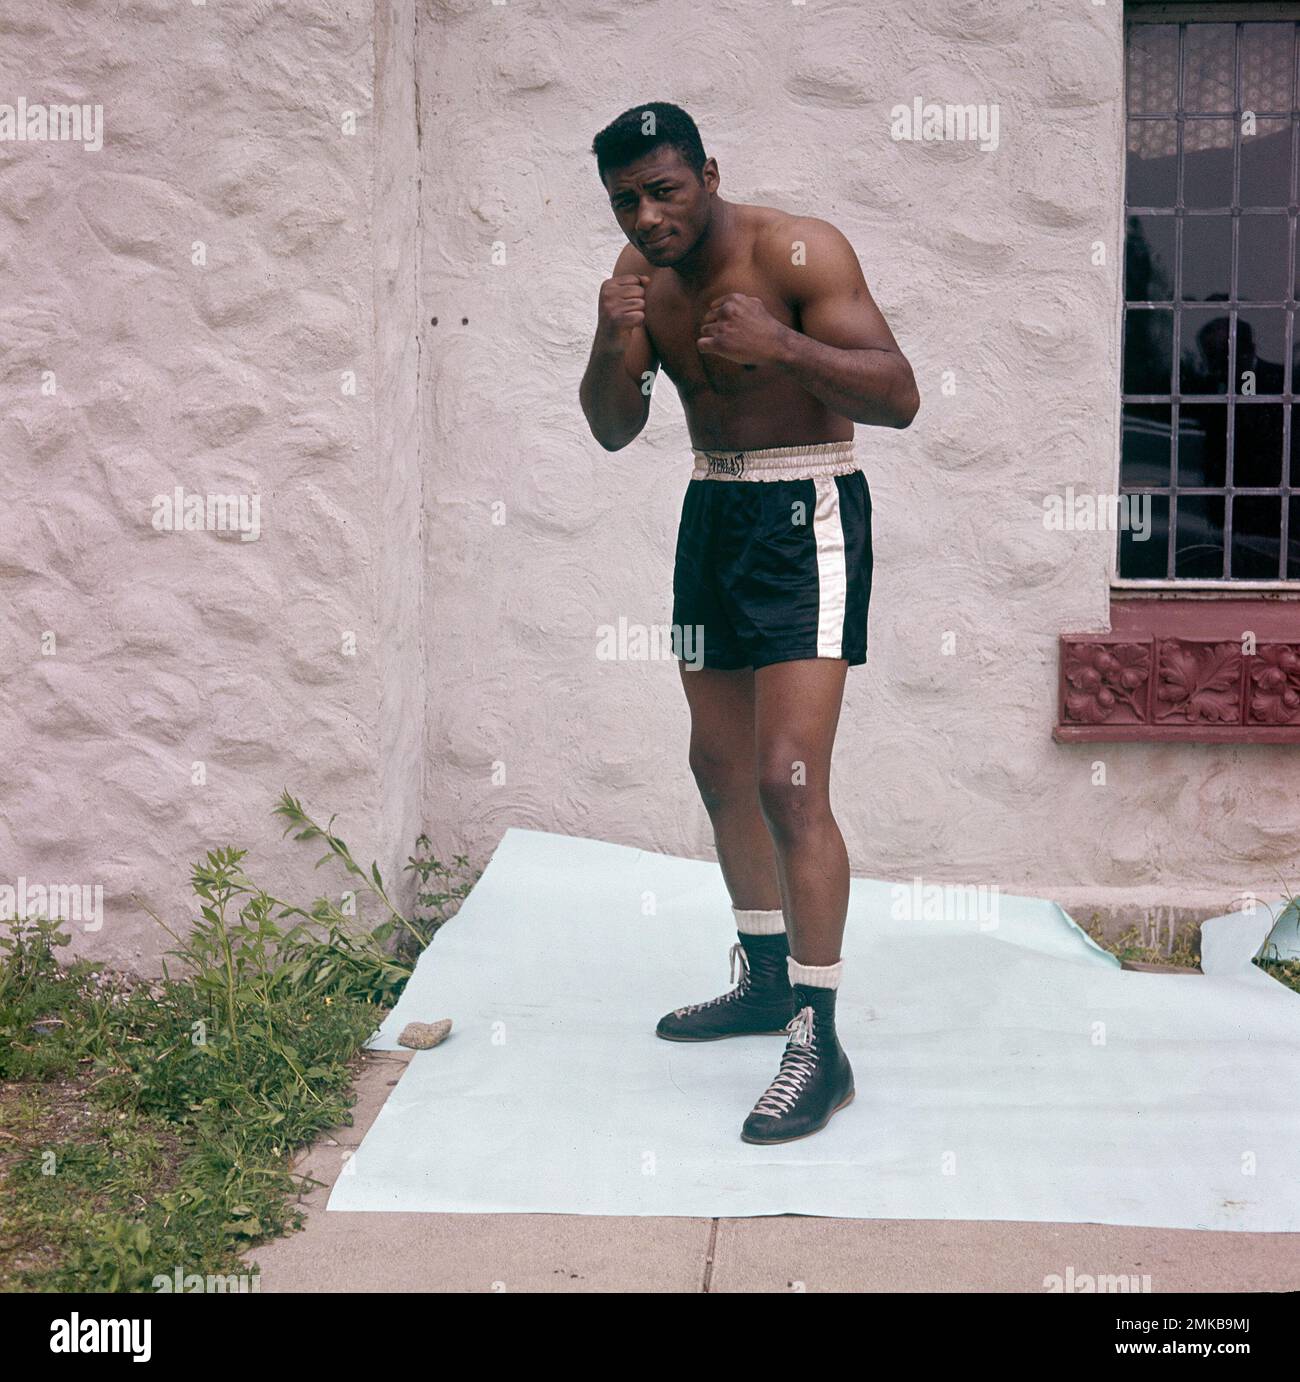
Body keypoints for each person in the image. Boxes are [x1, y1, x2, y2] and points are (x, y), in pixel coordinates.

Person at [578, 102, 919, 1144]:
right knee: (718, 769)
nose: (645, 215)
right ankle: (766, 976)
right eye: (626, 199)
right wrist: (614, 333)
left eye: (664, 190)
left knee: (787, 777)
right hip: (710, 513)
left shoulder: (798, 250)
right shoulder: (642, 280)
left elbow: (899, 396)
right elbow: (611, 426)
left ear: (709, 173)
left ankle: (819, 1040)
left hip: (804, 507)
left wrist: (780, 344)